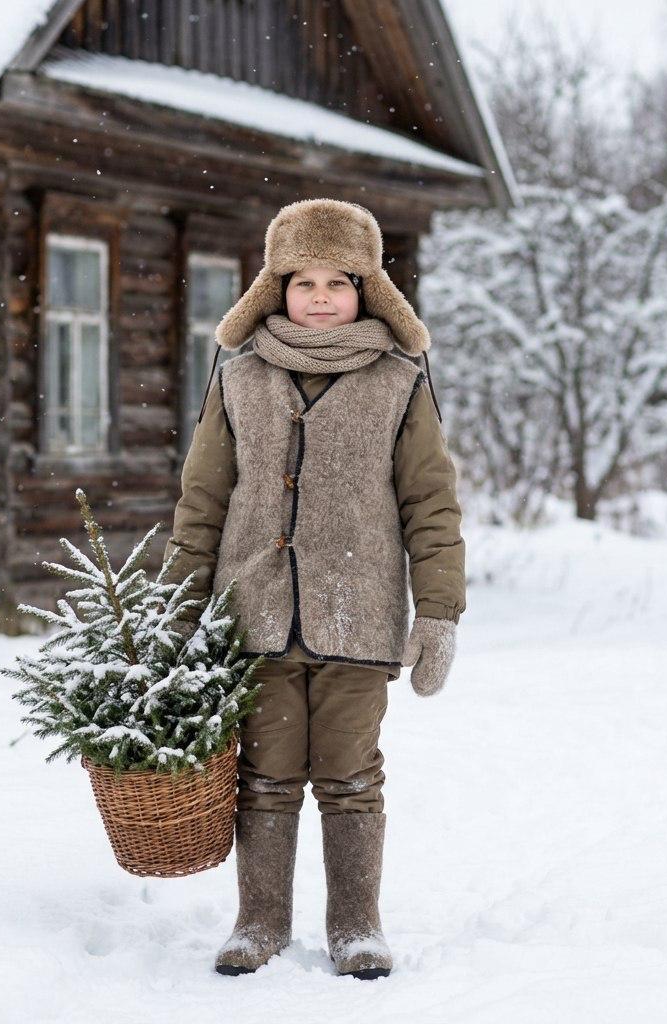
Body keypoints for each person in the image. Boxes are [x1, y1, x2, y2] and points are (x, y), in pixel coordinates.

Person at [163, 198, 466, 980]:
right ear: (275, 287)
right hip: (254, 613)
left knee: (350, 775)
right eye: (304, 281)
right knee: (264, 778)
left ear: (368, 290)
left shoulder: (399, 381)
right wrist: (178, 604)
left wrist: (438, 612)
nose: (322, 296)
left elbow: (430, 502)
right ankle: (259, 920)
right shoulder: (240, 376)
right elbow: (203, 499)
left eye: (340, 280)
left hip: (359, 619)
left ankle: (357, 926)